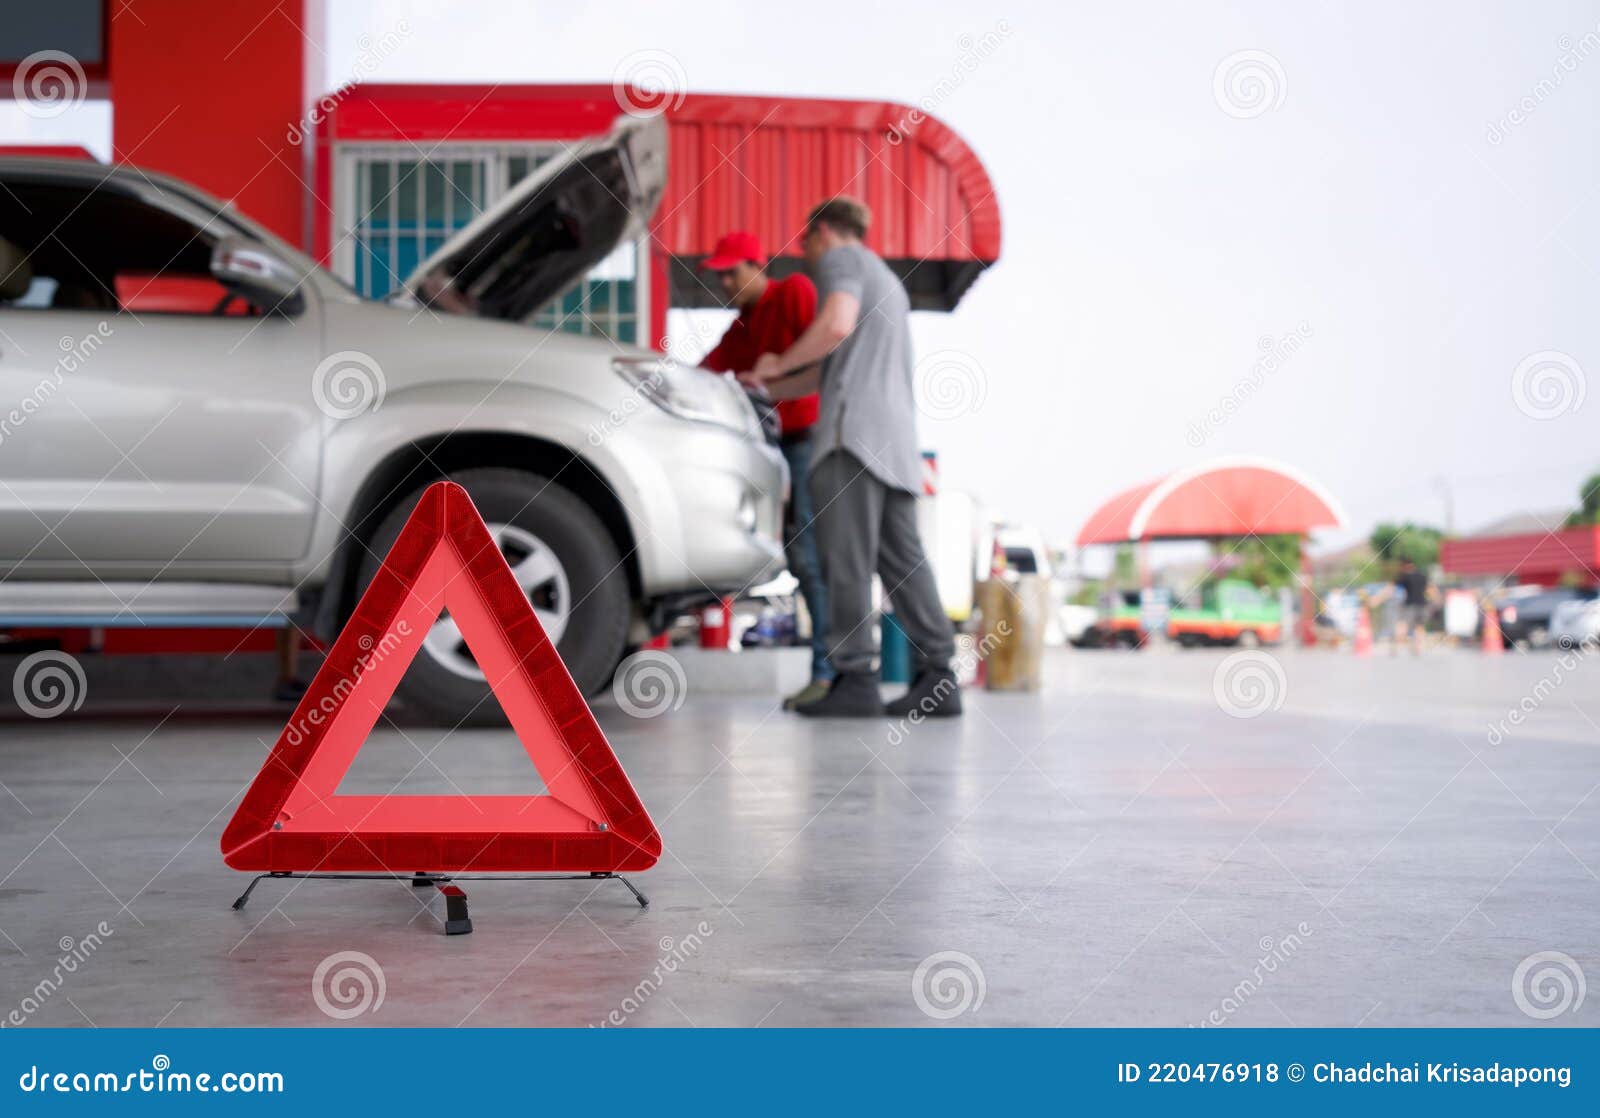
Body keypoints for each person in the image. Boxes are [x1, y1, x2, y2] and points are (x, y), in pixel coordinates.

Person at [741, 198, 960, 719]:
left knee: (846, 562)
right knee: (904, 562)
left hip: (851, 440)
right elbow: (832, 368)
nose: (808, 256)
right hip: (895, 441)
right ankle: (941, 678)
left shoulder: (844, 262)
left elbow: (835, 326)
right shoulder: (887, 281)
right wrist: (773, 383)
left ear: (822, 233)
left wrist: (778, 359)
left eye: (806, 244)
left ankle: (855, 678)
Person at [697, 231, 835, 708]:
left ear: (759, 266)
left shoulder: (794, 290)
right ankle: (831, 670)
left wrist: (775, 370)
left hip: (812, 440)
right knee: (801, 558)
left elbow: (825, 349)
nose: (726, 281)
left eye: (734, 271)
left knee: (814, 559)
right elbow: (705, 372)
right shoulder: (741, 327)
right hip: (774, 450)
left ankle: (830, 673)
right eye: (720, 275)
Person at [1392, 558, 1434, 654]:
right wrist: (1437, 599)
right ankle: (1418, 648)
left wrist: (1376, 600)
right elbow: (1430, 589)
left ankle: (1397, 646)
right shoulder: (1422, 576)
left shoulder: (1404, 576)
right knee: (1419, 626)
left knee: (1403, 624)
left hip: (1409, 605)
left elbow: (1391, 588)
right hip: (1422, 604)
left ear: (1405, 566)